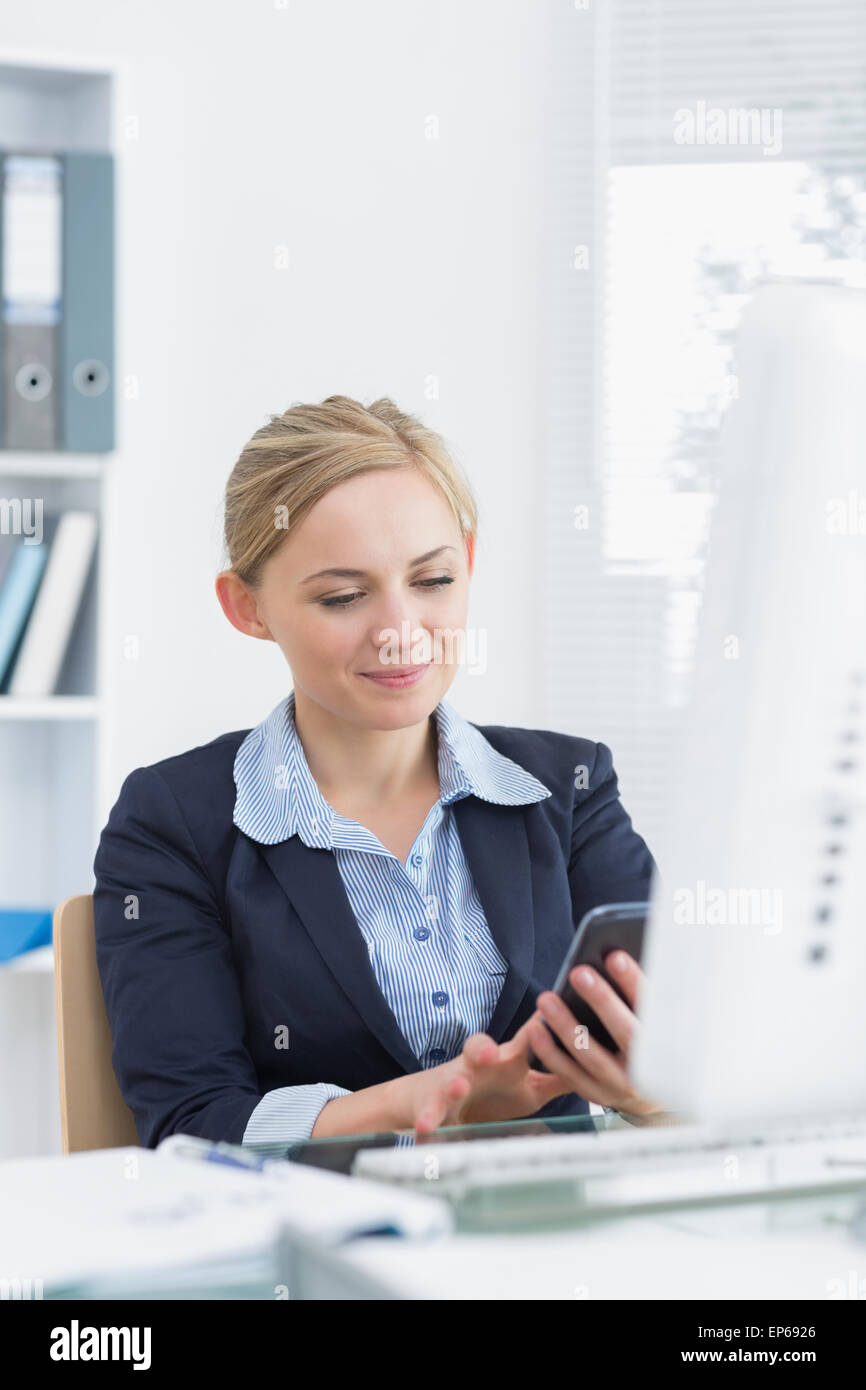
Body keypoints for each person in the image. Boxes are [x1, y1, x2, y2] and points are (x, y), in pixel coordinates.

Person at [93, 394, 662, 1154]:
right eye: (344, 596)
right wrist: (435, 1105)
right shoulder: (172, 822)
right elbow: (193, 1123)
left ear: (468, 562)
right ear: (247, 607)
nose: (401, 633)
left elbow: (695, 1055)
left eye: (432, 582)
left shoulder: (572, 788)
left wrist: (655, 1093)